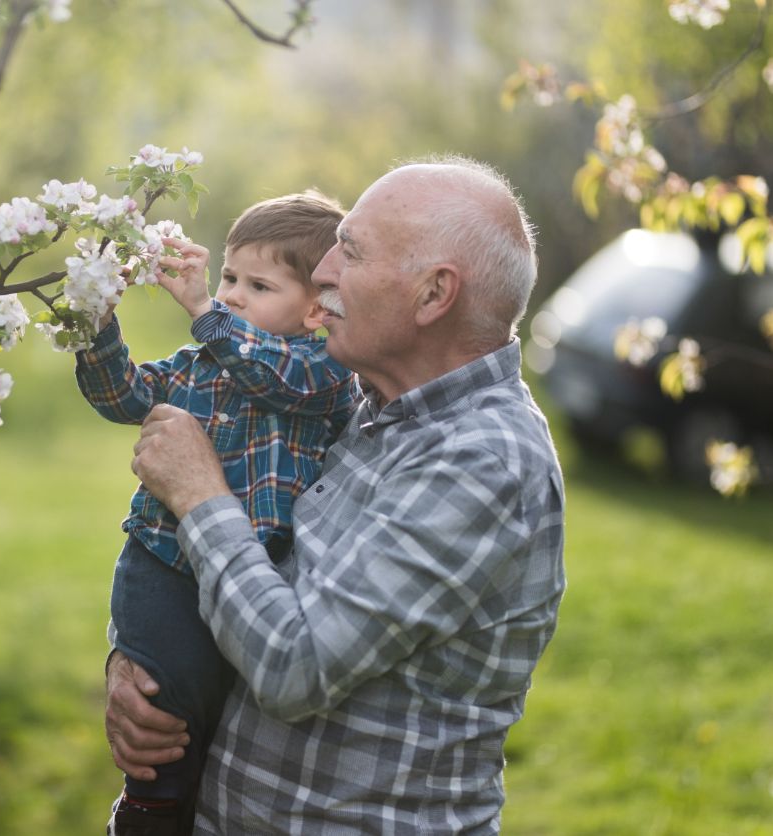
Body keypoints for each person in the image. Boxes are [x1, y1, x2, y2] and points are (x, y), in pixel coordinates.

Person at [108, 157, 567, 834]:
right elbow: (235, 583)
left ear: (433, 294)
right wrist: (137, 663)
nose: (322, 272)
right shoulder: (355, 400)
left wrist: (200, 496)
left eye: (349, 252)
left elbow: (295, 668)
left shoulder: (483, 461)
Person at [74, 193, 358, 835]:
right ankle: (150, 809)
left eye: (259, 285)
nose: (230, 295)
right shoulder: (201, 366)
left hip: (257, 576)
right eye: (229, 277)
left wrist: (203, 309)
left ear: (317, 308)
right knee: (163, 701)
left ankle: (199, 802)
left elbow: (274, 377)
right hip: (164, 565)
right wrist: (95, 323)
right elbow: (122, 397)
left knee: (226, 707)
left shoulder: (324, 372)